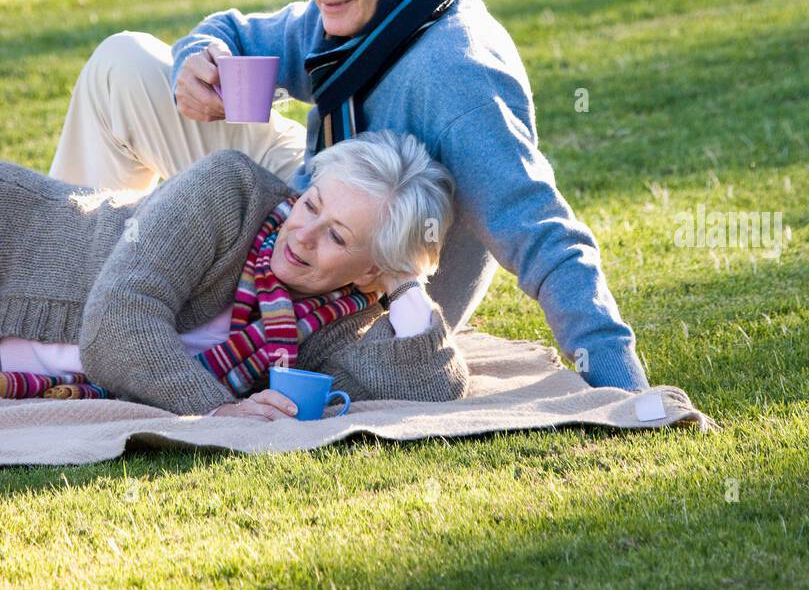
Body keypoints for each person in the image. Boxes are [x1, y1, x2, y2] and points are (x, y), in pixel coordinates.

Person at [49, 0, 650, 393]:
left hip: (363, 275)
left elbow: (542, 231)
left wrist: (618, 383)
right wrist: (199, 60)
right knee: (123, 64)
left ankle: (85, 318)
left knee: (248, 195)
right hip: (316, 197)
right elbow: (234, 30)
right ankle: (79, 271)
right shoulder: (375, 10)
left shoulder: (459, 73)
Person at [0, 131, 469, 417]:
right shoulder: (228, 190)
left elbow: (431, 386)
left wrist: (404, 282)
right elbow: (115, 324)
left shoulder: (335, 324)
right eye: (311, 204)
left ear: (371, 271)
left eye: (337, 237)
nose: (303, 235)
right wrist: (217, 409)